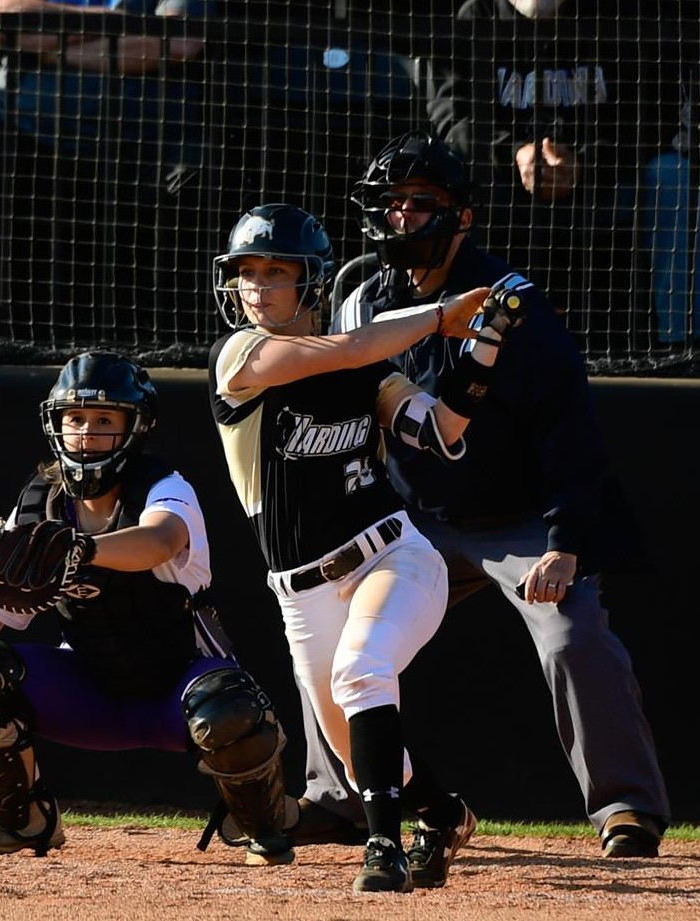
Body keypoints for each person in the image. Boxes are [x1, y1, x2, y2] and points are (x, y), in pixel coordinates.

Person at [290, 129, 670, 859]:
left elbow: (570, 430)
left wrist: (563, 542)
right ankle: (337, 796)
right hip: (408, 521)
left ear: (462, 216)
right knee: (328, 623)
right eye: (389, 204)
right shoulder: (359, 294)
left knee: (573, 632)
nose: (400, 218)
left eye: (420, 204)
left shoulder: (512, 303)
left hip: (518, 519)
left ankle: (626, 807)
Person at [205, 202, 516, 893]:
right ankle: (443, 813)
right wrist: (440, 315)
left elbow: (442, 428)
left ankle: (384, 848)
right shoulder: (242, 357)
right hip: (301, 591)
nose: (256, 288)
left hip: (392, 556)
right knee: (357, 750)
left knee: (362, 670)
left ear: (311, 282)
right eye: (246, 273)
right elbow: (347, 347)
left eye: (276, 272)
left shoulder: (366, 373)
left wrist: (485, 343)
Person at [0, 350, 296, 867]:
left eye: (105, 420)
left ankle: (263, 819)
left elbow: (160, 541)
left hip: (180, 690)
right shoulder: (40, 504)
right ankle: (24, 822)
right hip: (89, 689)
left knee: (229, 704)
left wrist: (80, 550)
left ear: (135, 427)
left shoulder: (164, 487)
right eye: (75, 419)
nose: (87, 433)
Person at [425, 0, 700, 350]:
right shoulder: (477, 16)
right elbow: (451, 117)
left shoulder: (616, 13)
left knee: (671, 174)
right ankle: (463, 342)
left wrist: (584, 163)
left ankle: (689, 345)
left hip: (605, 182)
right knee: (452, 188)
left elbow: (657, 112)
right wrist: (516, 153)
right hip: (503, 185)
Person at [0, 0, 211, 334]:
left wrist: (55, 49)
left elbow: (178, 42)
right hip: (30, 146)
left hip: (149, 151)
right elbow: (4, 17)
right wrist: (120, 25)